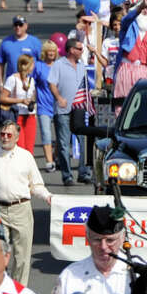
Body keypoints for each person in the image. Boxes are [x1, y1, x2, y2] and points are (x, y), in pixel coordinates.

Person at [0, 121, 51, 285]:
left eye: (9, 135)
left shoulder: (26, 157)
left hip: (21, 208)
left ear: (17, 137)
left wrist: (47, 197)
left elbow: (36, 185)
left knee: (22, 257)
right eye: (2, 134)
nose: (5, 138)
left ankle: (18, 292)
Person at [50, 37, 92, 186]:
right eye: (80, 49)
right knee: (63, 143)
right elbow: (52, 83)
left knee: (83, 142)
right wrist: (59, 98)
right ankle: (67, 176)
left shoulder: (82, 66)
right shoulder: (58, 65)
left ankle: (84, 173)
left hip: (79, 109)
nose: (82, 51)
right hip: (63, 110)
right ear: (71, 50)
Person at [0, 55, 39, 153]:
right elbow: (2, 98)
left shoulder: (31, 80)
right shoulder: (12, 79)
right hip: (17, 117)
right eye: (32, 64)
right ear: (26, 66)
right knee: (20, 148)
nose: (34, 66)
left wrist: (32, 103)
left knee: (29, 149)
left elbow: (33, 96)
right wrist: (20, 101)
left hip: (30, 116)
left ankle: (28, 168)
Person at [33, 41, 59, 172]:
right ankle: (49, 162)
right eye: (49, 50)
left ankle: (55, 156)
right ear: (44, 52)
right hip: (43, 105)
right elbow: (31, 83)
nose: (51, 53)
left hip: (59, 105)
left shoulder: (60, 66)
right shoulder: (38, 66)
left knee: (61, 136)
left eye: (53, 50)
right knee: (46, 133)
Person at [0, 16, 40, 85]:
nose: (18, 27)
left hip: (30, 83)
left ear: (26, 26)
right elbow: (0, 64)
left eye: (20, 24)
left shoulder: (35, 42)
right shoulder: (6, 42)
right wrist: (0, 84)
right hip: (12, 84)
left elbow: (42, 63)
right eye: (15, 25)